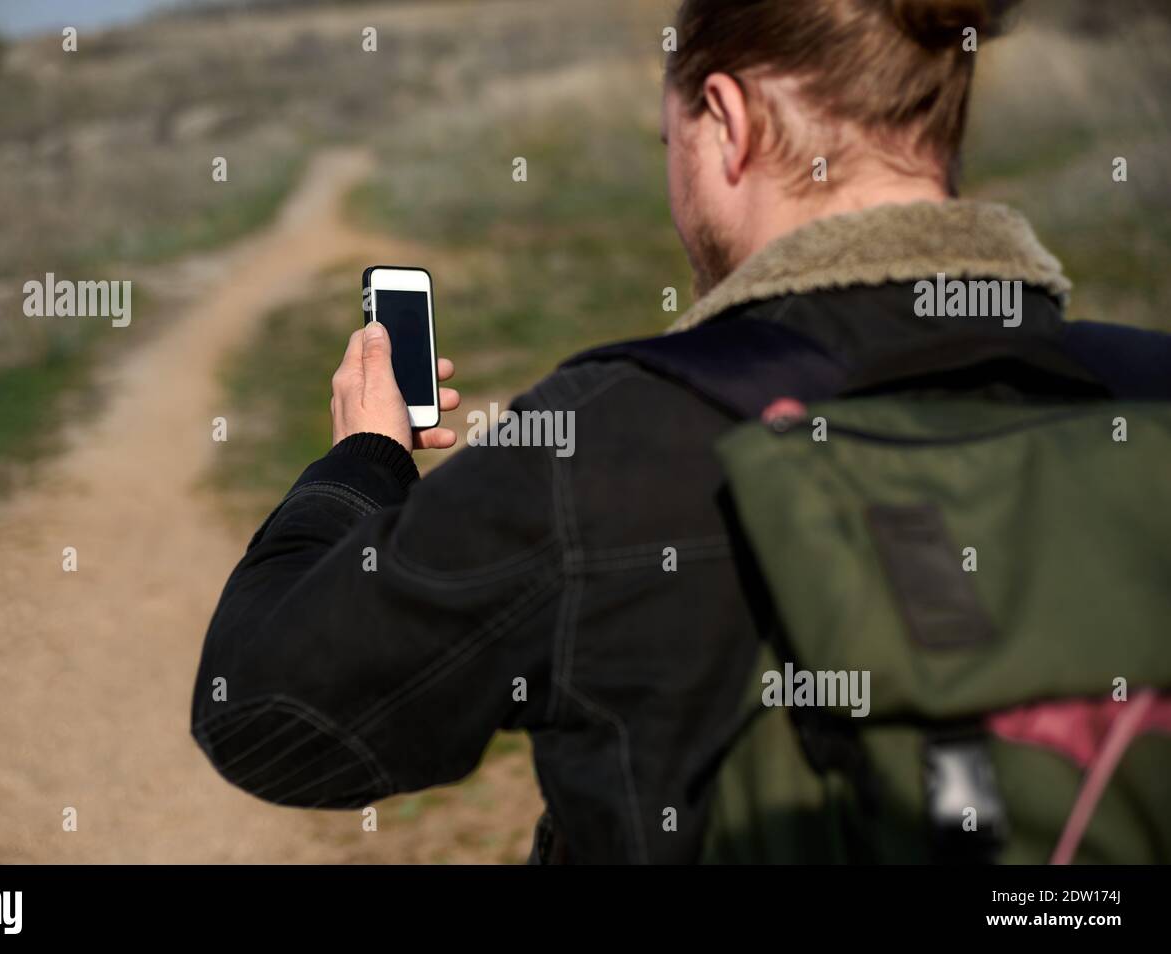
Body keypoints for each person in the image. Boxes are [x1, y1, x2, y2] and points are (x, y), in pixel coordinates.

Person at [189, 0, 1161, 863]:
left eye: (671, 145)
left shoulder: (606, 441)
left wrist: (362, 459)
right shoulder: (1146, 392)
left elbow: (266, 712)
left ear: (727, 126)